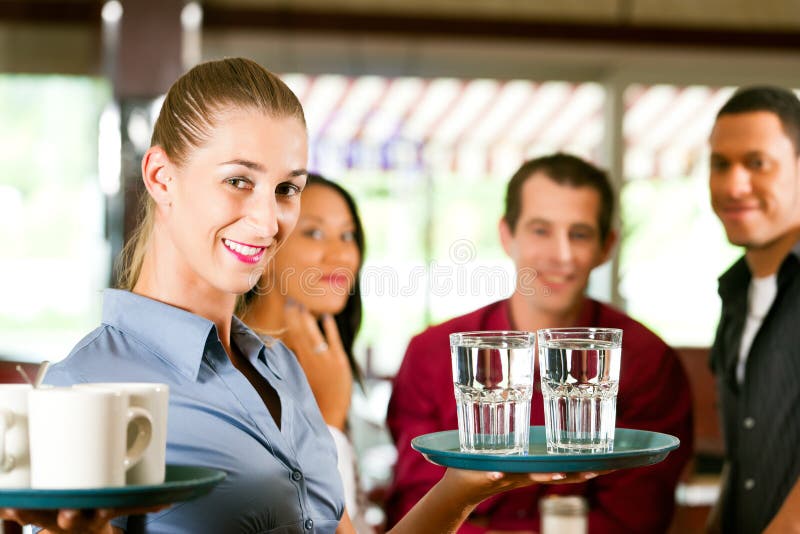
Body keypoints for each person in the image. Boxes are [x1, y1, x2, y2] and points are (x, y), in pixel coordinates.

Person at [0, 58, 587, 534]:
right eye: (238, 181)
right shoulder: (87, 385)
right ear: (161, 178)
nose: (266, 220)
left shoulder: (280, 367)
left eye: (286, 189)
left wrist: (464, 487)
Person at [385, 153, 694, 534]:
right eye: (540, 230)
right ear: (506, 235)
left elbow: (635, 520)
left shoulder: (648, 360)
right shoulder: (432, 353)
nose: (560, 256)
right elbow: (414, 505)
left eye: (579, 234)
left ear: (606, 246)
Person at [238, 173, 371, 532]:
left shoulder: (322, 359)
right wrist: (328, 423)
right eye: (314, 233)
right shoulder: (237, 365)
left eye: (348, 236)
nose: (340, 253)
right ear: (264, 244)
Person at [706, 86, 800, 534]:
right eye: (720, 164)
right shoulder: (736, 292)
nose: (732, 185)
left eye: (757, 163)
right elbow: (741, 458)